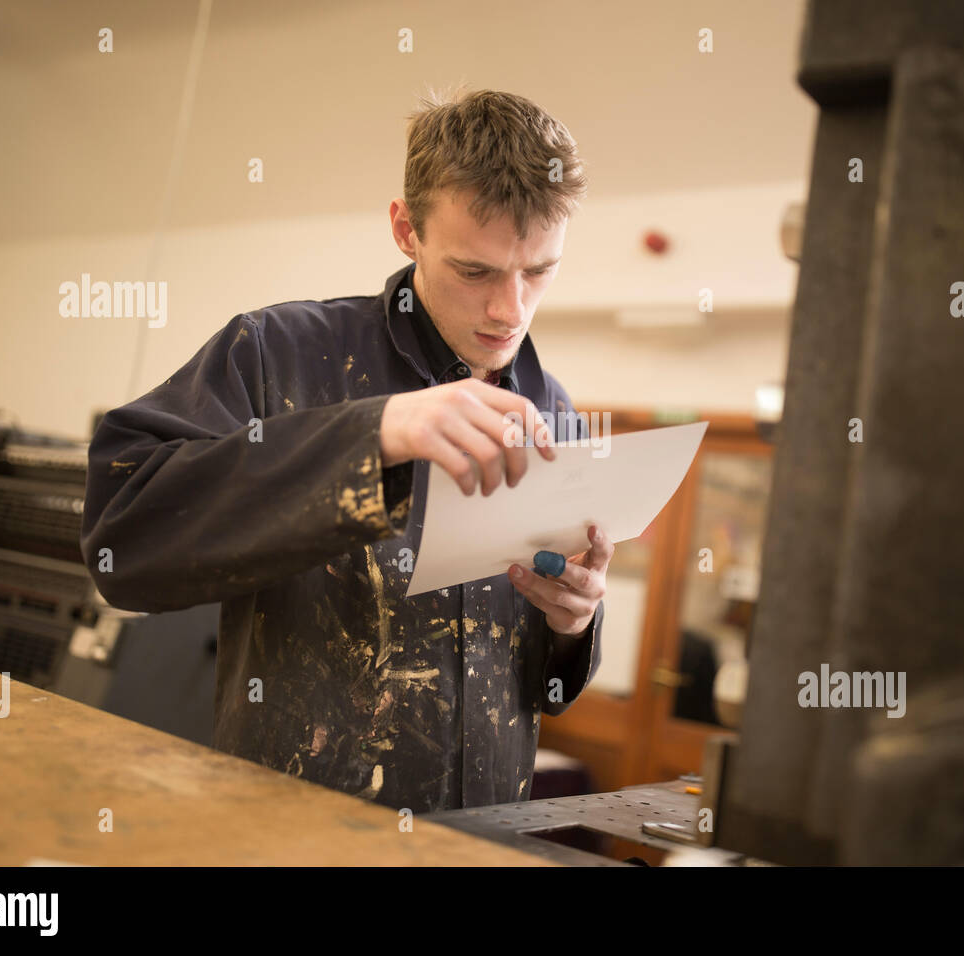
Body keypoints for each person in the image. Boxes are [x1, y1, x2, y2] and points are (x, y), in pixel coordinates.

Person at [80, 88, 611, 813]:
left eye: (539, 271)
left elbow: (544, 688)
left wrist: (573, 622)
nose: (509, 310)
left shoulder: (555, 413)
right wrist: (375, 435)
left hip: (483, 840)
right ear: (405, 229)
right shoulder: (276, 355)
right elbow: (123, 539)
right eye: (475, 271)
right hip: (293, 838)